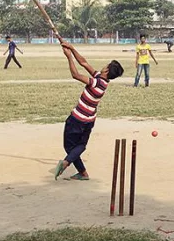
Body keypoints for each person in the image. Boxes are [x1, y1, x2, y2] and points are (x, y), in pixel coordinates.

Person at [53, 40, 124, 180]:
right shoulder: (102, 80)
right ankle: (83, 173)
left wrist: (68, 57)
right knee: (80, 145)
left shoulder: (96, 82)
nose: (104, 66)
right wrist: (71, 48)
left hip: (77, 119)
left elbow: (75, 75)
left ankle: (66, 162)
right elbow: (84, 63)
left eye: (106, 65)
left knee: (69, 147)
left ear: (107, 70)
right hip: (89, 120)